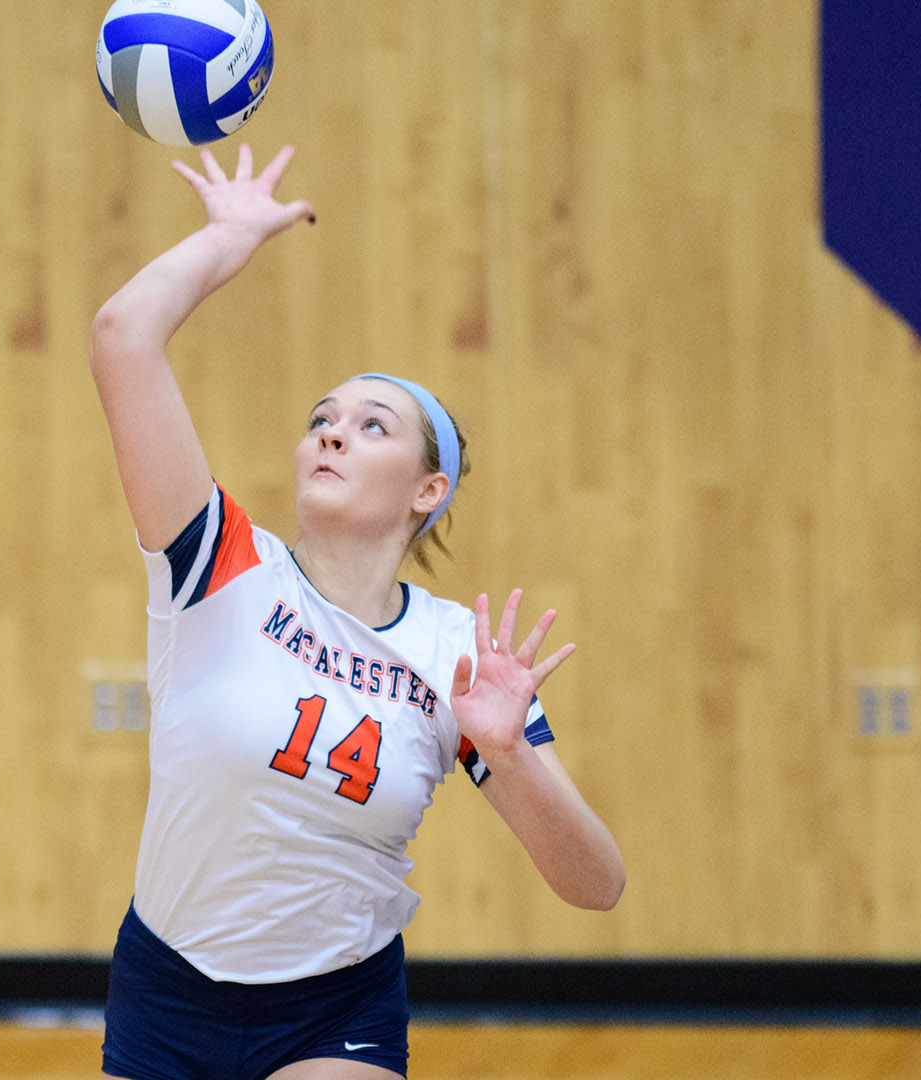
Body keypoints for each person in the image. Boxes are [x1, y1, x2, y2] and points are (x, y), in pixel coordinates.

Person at [89, 143, 625, 1080]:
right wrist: (226, 239)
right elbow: (122, 337)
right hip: (169, 989)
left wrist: (506, 755)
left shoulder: (456, 651)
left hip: (336, 1007)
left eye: (373, 425)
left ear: (429, 489)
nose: (332, 430)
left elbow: (597, 886)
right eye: (322, 418)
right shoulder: (219, 562)